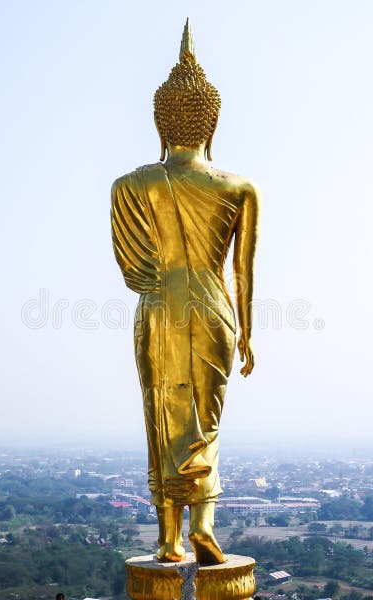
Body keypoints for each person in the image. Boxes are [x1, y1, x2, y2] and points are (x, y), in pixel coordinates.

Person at [111, 20, 258, 566]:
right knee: (206, 425)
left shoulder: (129, 186)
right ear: (211, 121)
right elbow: (243, 273)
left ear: (161, 121)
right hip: (217, 313)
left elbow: (132, 267)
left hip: (157, 311)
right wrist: (247, 331)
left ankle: (169, 538)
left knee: (163, 419)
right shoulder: (240, 187)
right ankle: (204, 523)